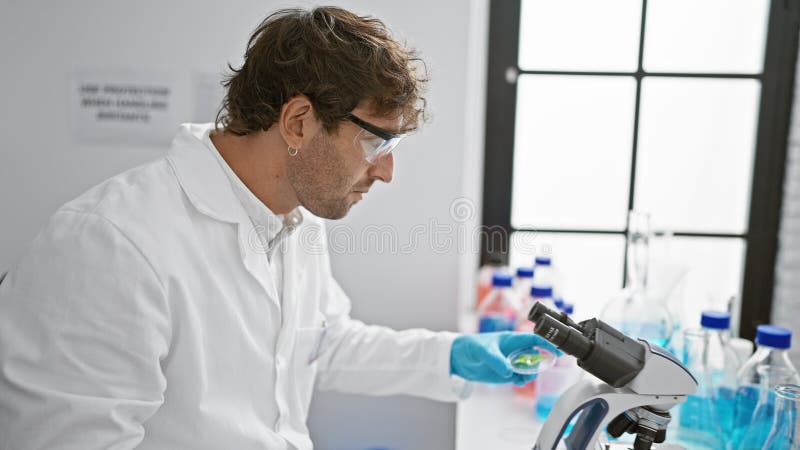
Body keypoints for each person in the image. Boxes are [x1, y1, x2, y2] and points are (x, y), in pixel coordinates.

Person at [0, 6, 556, 449]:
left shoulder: (291, 215)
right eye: (376, 142)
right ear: (297, 122)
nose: (386, 171)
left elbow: (322, 342)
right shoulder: (109, 244)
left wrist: (453, 355)